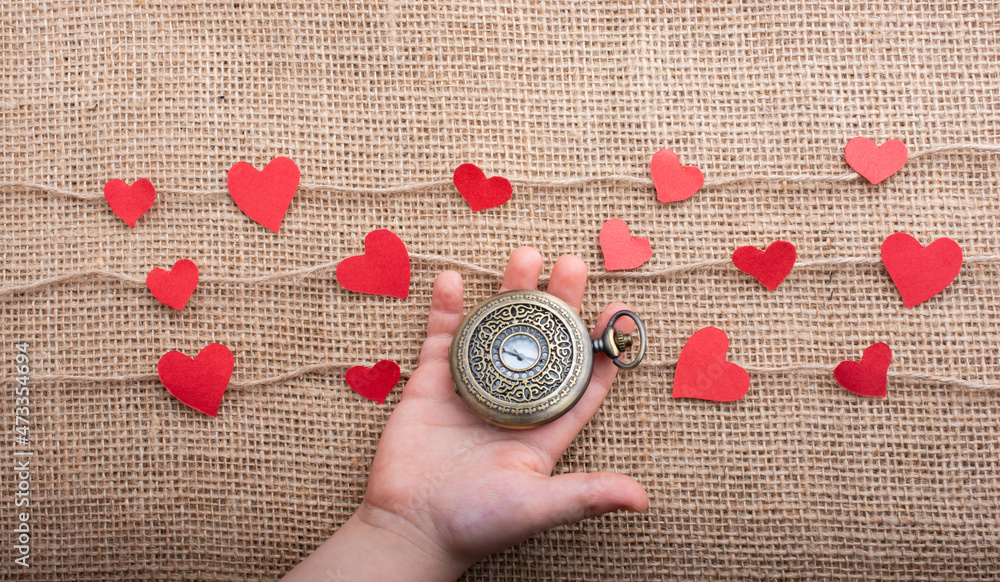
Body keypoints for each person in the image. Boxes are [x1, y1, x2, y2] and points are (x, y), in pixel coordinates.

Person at [282, 247, 649, 581]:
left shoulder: (566, 357)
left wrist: (410, 533)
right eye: (516, 354)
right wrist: (412, 531)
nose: (518, 356)